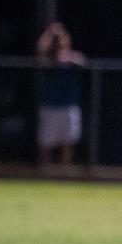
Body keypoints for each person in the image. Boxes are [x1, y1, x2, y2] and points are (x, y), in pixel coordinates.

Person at [35, 22, 86, 166]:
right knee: (46, 143)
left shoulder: (72, 59)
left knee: (68, 141)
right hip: (50, 106)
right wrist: (49, 34)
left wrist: (65, 52)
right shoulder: (47, 60)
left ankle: (65, 172)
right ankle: (45, 172)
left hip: (68, 106)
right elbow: (41, 52)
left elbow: (82, 61)